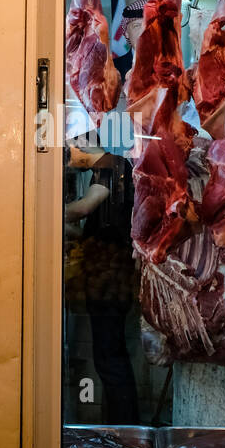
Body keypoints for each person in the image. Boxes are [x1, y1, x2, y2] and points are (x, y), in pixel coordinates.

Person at [64, 142, 139, 424]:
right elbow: (91, 223)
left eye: (71, 151)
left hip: (111, 276)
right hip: (110, 272)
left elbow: (84, 209)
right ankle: (120, 428)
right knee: (110, 354)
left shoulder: (111, 166)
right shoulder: (112, 168)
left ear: (83, 146)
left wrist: (46, 211)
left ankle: (126, 431)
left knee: (110, 357)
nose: (70, 161)